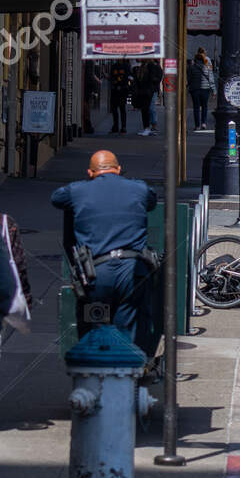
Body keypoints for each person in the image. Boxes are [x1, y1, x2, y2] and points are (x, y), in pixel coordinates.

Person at [50, 150, 161, 361]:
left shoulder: (78, 190)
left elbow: (56, 198)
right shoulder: (138, 188)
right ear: (118, 169)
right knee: (128, 326)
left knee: (96, 323)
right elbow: (152, 201)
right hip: (131, 271)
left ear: (90, 172)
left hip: (97, 274)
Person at [188, 49, 215, 130]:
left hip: (195, 89)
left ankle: (197, 125)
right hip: (205, 89)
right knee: (204, 106)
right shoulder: (207, 67)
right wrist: (214, 90)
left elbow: (189, 78)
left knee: (196, 107)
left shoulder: (192, 67)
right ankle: (203, 123)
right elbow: (211, 78)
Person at [132, 60, 160, 136]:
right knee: (145, 110)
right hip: (145, 91)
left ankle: (148, 128)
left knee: (147, 109)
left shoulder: (150, 66)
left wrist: (151, 88)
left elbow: (153, 78)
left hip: (147, 91)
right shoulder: (143, 66)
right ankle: (146, 128)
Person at [106, 60, 132, 134]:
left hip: (122, 91)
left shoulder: (126, 66)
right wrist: (111, 79)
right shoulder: (114, 66)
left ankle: (123, 127)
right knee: (114, 109)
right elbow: (111, 76)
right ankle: (115, 126)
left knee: (122, 109)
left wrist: (126, 86)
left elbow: (128, 77)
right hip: (114, 90)